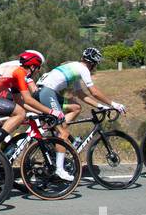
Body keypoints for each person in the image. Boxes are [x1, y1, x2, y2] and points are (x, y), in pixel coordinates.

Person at [36, 48, 125, 181]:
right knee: (63, 133)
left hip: (47, 92)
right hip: (47, 93)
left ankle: (57, 130)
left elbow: (81, 94)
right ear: (93, 63)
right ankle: (59, 169)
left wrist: (100, 106)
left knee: (75, 107)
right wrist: (114, 104)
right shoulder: (83, 69)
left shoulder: (75, 68)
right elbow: (93, 92)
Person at [0, 50, 55, 143]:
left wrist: (40, 112)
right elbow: (28, 99)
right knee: (20, 113)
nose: (38, 71)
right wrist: (51, 112)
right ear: (33, 67)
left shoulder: (14, 75)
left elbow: (20, 102)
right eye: (38, 68)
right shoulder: (20, 72)